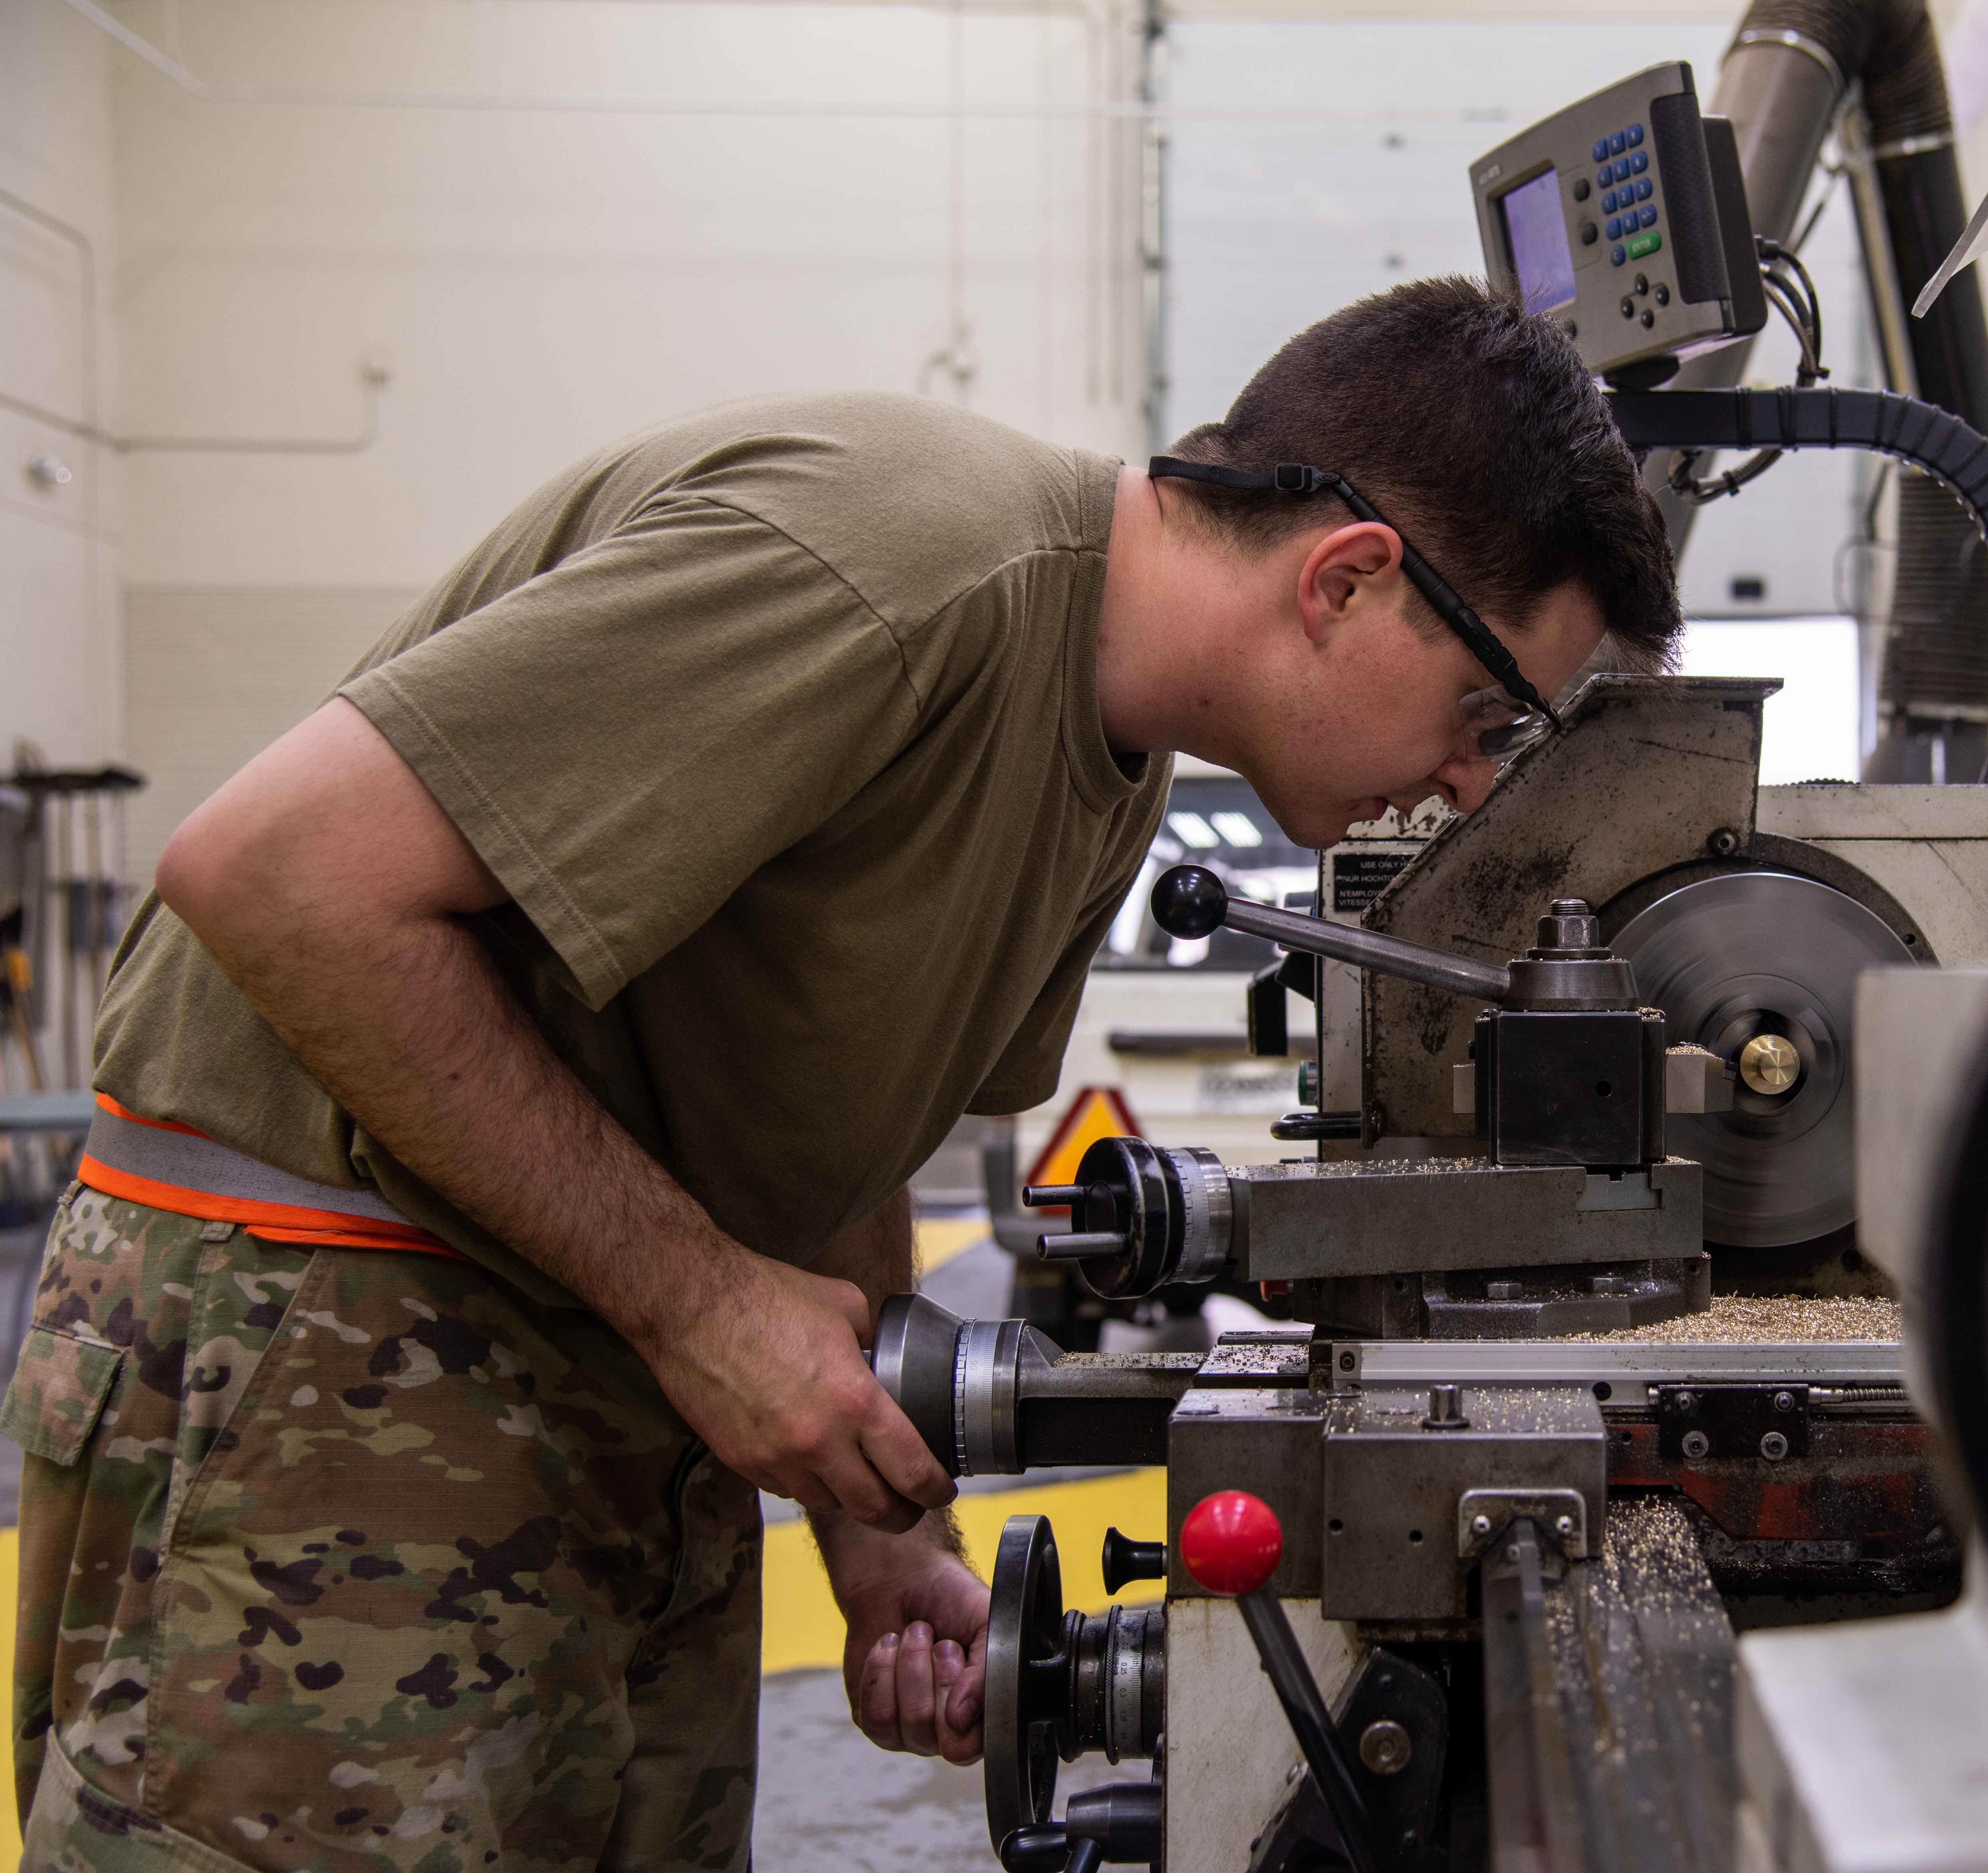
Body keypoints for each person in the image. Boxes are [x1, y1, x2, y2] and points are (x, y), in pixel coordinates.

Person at [5, 276, 1682, 1871]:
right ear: (1345, 578)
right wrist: (699, 1308)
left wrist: (878, 1527)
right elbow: (274, 875)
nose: (1473, 788)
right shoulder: (904, 558)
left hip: (591, 1354)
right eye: (1485, 713)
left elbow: (842, 1117)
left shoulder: (1111, 758)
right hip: (338, 1337)